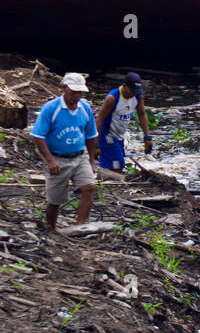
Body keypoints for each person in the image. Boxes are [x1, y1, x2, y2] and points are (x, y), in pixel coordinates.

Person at [31, 74, 99, 231]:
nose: (77, 95)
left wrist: (90, 160)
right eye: (74, 91)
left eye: (80, 92)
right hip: (58, 158)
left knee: (88, 187)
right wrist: (49, 160)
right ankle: (51, 229)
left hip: (79, 155)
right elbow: (38, 136)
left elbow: (91, 136)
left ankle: (80, 226)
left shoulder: (85, 108)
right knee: (55, 200)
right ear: (64, 89)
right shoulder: (51, 108)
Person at [96, 73, 152, 172]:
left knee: (117, 164)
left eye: (136, 91)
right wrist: (96, 144)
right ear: (124, 86)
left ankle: (104, 175)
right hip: (107, 135)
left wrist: (147, 137)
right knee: (118, 166)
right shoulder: (113, 98)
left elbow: (142, 114)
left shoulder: (137, 96)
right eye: (131, 91)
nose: (133, 94)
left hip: (120, 136)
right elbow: (99, 119)